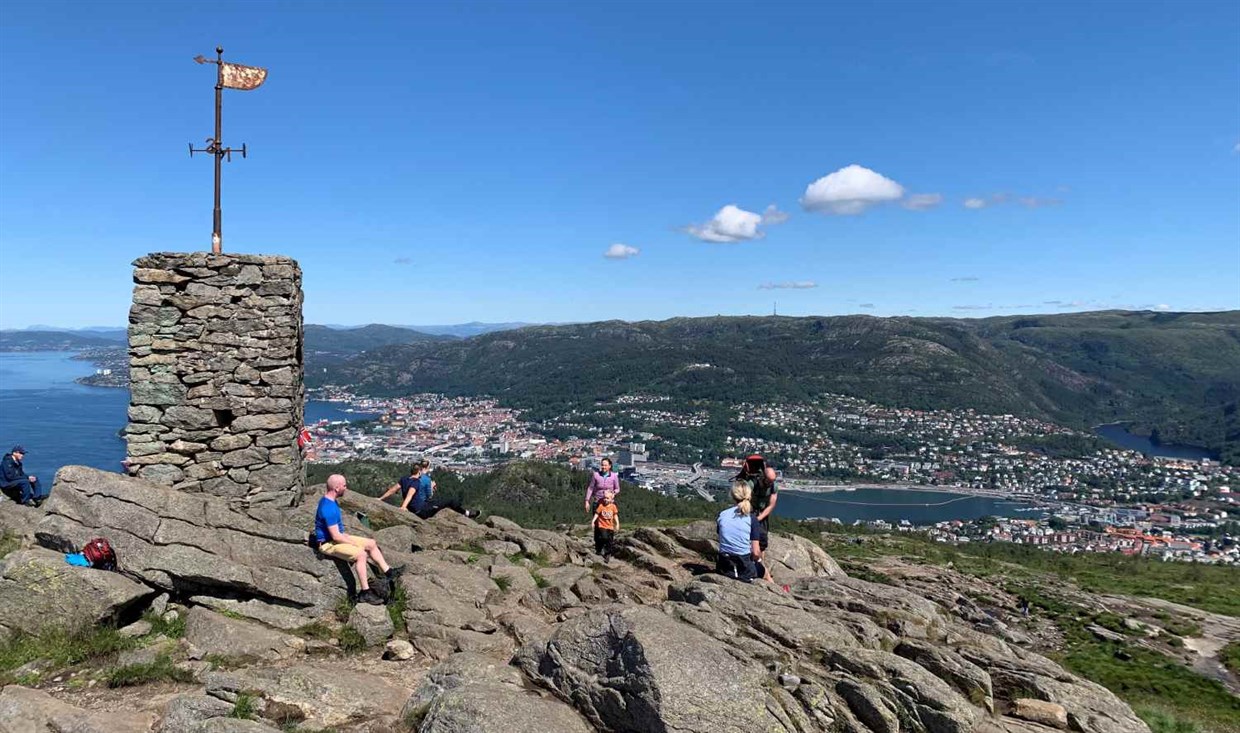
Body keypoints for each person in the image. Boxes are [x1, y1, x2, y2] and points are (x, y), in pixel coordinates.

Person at [314, 474, 403, 605]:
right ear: (337, 488)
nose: (346, 488)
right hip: (327, 544)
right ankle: (365, 592)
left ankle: (389, 572)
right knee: (361, 554)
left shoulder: (330, 501)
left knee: (371, 543)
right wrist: (354, 544)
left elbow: (337, 533)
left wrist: (348, 539)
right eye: (344, 485)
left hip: (337, 537)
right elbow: (335, 536)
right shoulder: (328, 508)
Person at [715, 481, 769, 583]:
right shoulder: (751, 519)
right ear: (749, 496)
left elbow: (721, 536)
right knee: (764, 571)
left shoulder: (722, 515)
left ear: (732, 496)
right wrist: (758, 559)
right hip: (744, 569)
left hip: (724, 566)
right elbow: (756, 552)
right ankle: (778, 589)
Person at [736, 454, 779, 557]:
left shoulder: (773, 486)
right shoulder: (751, 484)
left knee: (762, 539)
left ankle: (760, 560)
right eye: (768, 481)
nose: (770, 484)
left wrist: (759, 518)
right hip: (749, 510)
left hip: (762, 512)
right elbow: (742, 499)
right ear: (763, 477)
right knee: (747, 536)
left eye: (772, 481)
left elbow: (771, 505)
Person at [592, 490, 619, 562]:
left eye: (607, 498)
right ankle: (600, 548)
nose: (605, 499)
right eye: (604, 498)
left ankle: (607, 554)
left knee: (610, 540)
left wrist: (617, 524)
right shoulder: (601, 506)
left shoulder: (613, 507)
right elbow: (597, 514)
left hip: (610, 526)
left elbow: (615, 515)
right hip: (602, 525)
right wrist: (593, 521)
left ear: (611, 499)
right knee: (604, 537)